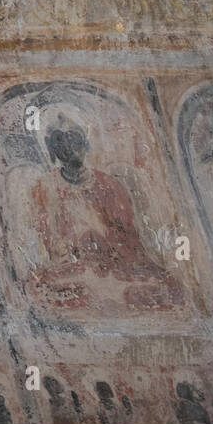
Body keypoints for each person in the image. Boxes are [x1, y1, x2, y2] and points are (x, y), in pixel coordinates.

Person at [26, 117, 182, 310]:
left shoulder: (109, 184)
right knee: (38, 288)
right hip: (73, 266)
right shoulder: (43, 188)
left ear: (85, 144)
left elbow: (128, 236)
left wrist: (99, 236)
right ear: (52, 150)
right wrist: (73, 244)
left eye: (73, 139)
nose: (68, 147)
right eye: (60, 141)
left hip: (115, 262)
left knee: (167, 287)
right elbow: (47, 237)